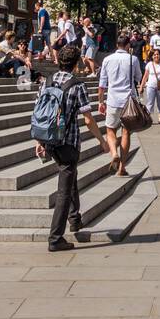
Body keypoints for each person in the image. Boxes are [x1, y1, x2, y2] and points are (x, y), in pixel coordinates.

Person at [34, 44, 107, 252]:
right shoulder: (77, 85)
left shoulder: (46, 81)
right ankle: (55, 238)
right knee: (64, 190)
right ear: (76, 64)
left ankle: (75, 219)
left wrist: (39, 141)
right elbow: (88, 119)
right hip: (68, 141)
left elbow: (40, 111)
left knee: (69, 173)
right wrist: (101, 140)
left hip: (49, 140)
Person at [97, 32, 143, 176]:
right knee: (126, 132)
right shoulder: (133, 59)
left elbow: (102, 84)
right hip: (128, 101)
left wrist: (100, 101)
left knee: (110, 130)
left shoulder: (107, 60)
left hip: (112, 100)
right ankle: (122, 167)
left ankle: (114, 154)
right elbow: (138, 77)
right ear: (128, 45)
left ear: (117, 45)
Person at [140, 48, 160, 123]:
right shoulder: (149, 64)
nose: (156, 56)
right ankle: (148, 117)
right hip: (150, 85)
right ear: (152, 56)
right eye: (154, 55)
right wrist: (142, 86)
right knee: (150, 102)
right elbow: (145, 76)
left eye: (157, 54)